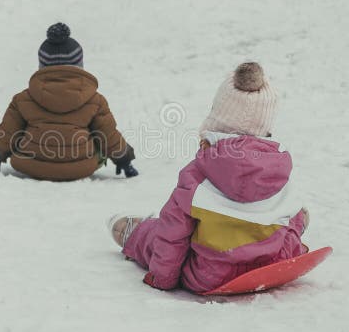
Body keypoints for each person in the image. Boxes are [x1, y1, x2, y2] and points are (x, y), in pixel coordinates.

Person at [107, 62, 309, 293]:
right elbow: (290, 216)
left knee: (159, 233)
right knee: (293, 216)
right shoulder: (279, 167)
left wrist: (162, 278)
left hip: (209, 274)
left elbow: (173, 236)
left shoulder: (197, 175)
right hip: (270, 262)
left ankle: (135, 233)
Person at [0, 23, 138, 181]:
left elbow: (8, 131)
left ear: (42, 65)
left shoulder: (23, 99)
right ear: (79, 65)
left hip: (30, 165)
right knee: (98, 134)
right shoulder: (95, 100)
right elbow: (109, 135)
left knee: (20, 129)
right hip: (80, 167)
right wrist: (124, 160)